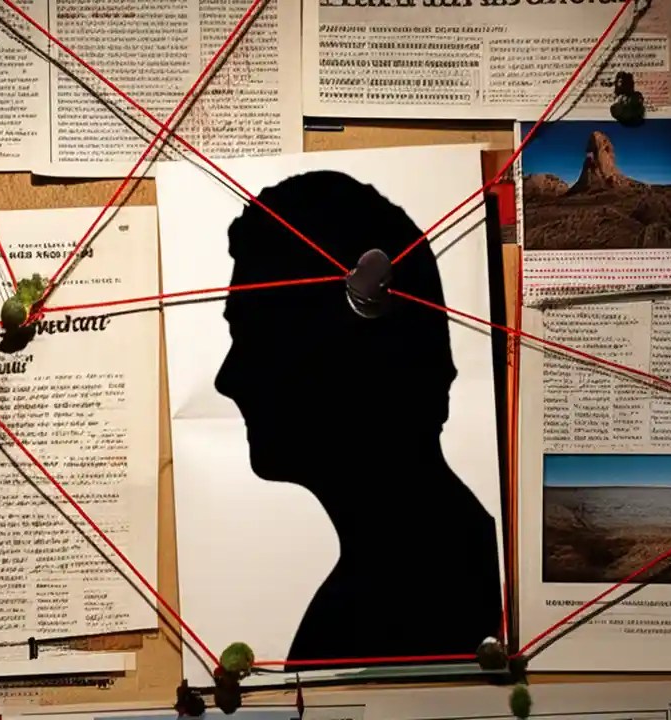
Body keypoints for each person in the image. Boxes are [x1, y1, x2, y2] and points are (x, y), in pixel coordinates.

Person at [214, 170, 503, 671]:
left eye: (253, 339)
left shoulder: (388, 607)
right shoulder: (426, 567)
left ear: (342, 353)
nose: (227, 378)